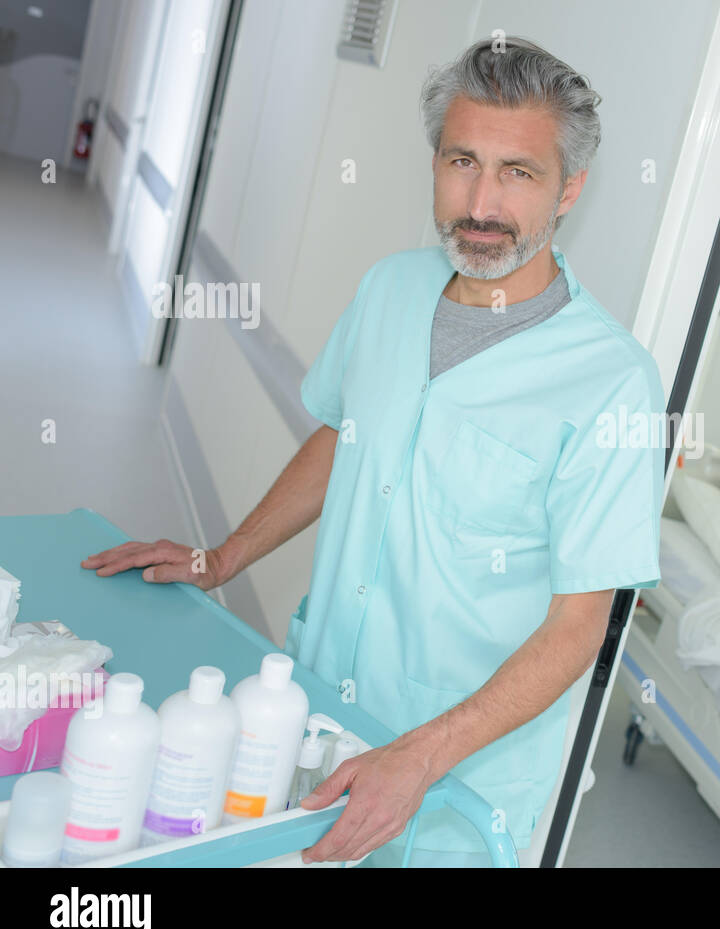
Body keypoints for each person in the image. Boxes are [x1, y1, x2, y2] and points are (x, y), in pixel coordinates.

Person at [80, 36, 665, 867]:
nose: (483, 202)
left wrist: (421, 754)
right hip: (313, 716)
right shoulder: (390, 287)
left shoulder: (613, 383)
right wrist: (223, 556)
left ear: (568, 189)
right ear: (434, 162)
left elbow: (580, 625)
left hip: (457, 782)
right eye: (463, 161)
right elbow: (342, 434)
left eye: (519, 173)